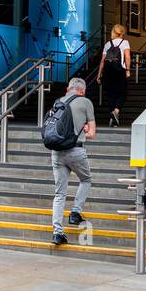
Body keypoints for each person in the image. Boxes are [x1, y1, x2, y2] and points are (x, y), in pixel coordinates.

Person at [49, 77, 96, 246]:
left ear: (68, 89)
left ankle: (57, 233)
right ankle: (75, 212)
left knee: (59, 193)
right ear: (82, 91)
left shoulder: (58, 102)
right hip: (75, 150)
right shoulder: (85, 102)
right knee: (86, 179)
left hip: (56, 151)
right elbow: (91, 134)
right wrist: (84, 129)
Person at [97, 23, 130, 127]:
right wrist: (128, 70)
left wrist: (99, 75)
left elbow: (102, 61)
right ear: (122, 32)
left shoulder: (107, 44)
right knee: (122, 93)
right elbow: (127, 57)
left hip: (107, 71)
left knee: (111, 94)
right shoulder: (125, 42)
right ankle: (115, 111)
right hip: (119, 70)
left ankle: (114, 120)